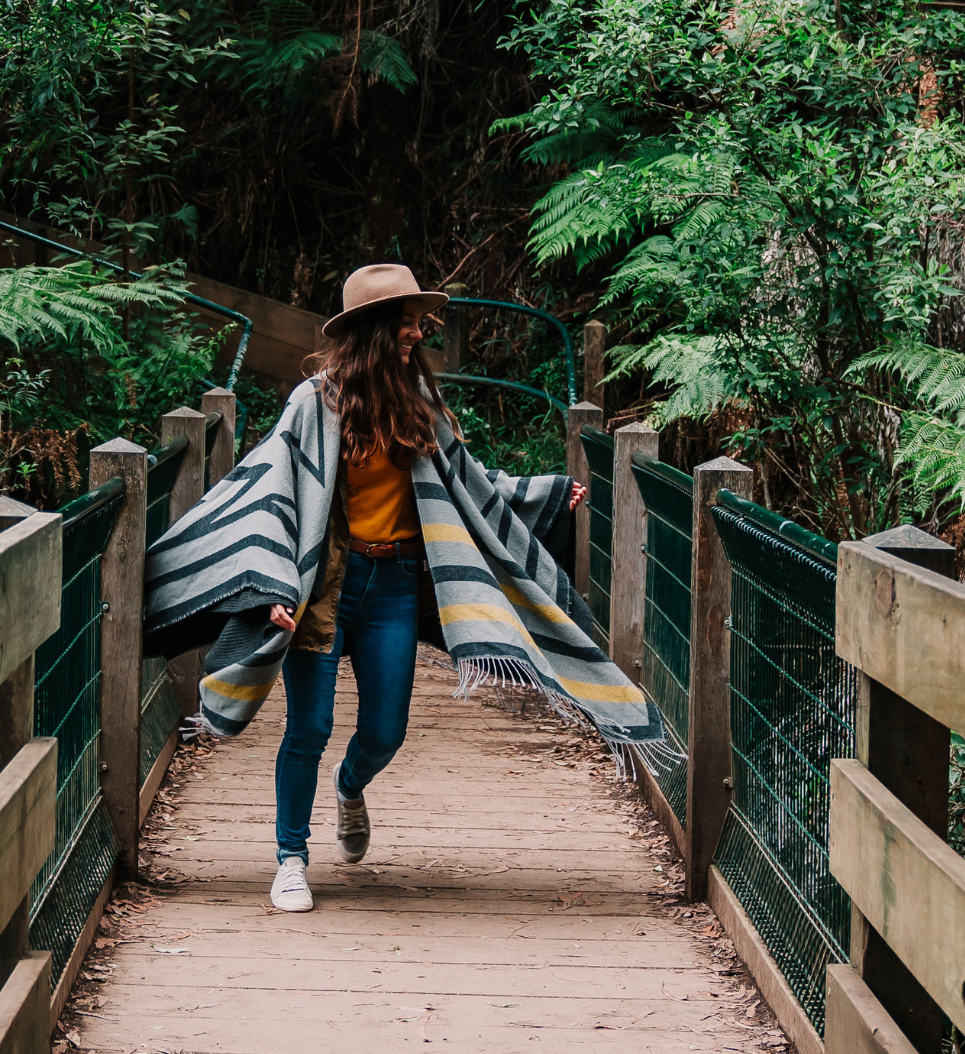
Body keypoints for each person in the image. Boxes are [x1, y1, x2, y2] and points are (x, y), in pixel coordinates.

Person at [142, 264, 665, 914]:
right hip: (324, 586)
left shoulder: (420, 404)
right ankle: (291, 857)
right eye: (408, 320)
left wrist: (550, 494)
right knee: (308, 726)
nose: (420, 330)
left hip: (392, 584)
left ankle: (349, 784)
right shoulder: (313, 404)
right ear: (373, 330)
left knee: (386, 730)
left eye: (419, 319)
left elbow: (468, 489)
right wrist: (269, 585)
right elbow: (273, 496)